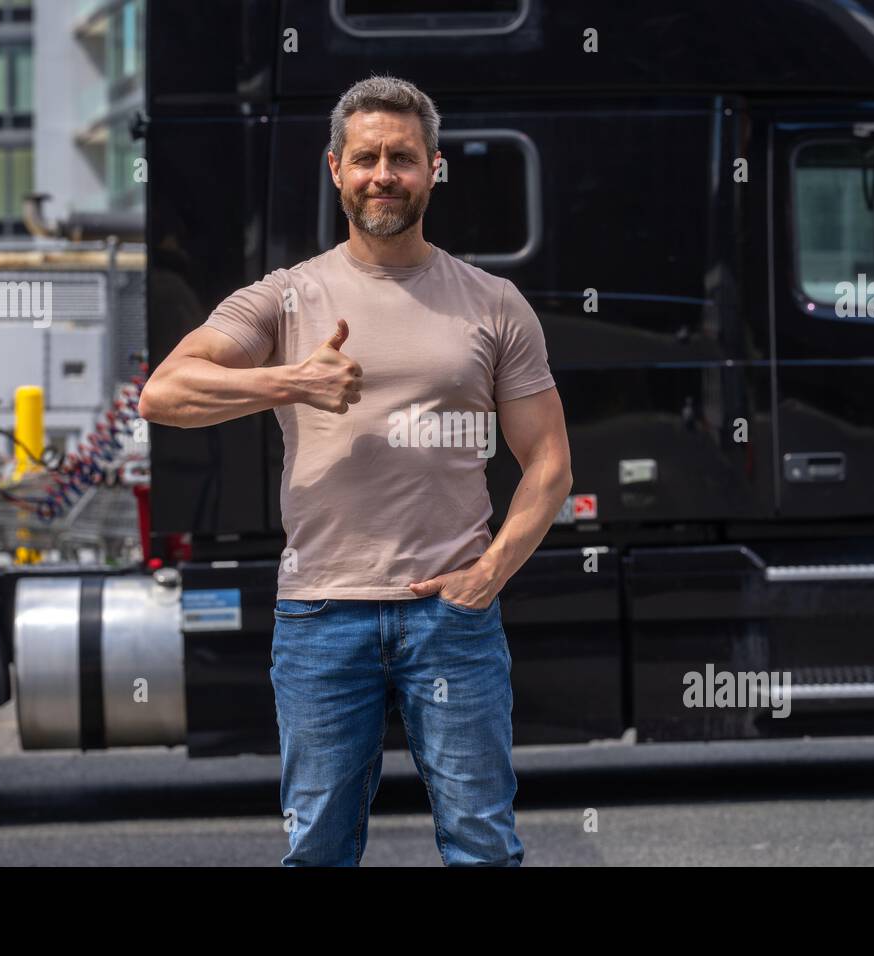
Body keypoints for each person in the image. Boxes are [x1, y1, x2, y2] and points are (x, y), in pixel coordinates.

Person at [139, 73, 572, 866]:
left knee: (483, 841)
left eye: (403, 158)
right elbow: (162, 394)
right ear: (333, 167)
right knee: (319, 849)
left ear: (433, 170)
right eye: (366, 157)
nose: (384, 175)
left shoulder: (492, 303)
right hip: (320, 615)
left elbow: (547, 461)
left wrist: (489, 574)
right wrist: (291, 380)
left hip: (452, 617)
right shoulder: (286, 297)